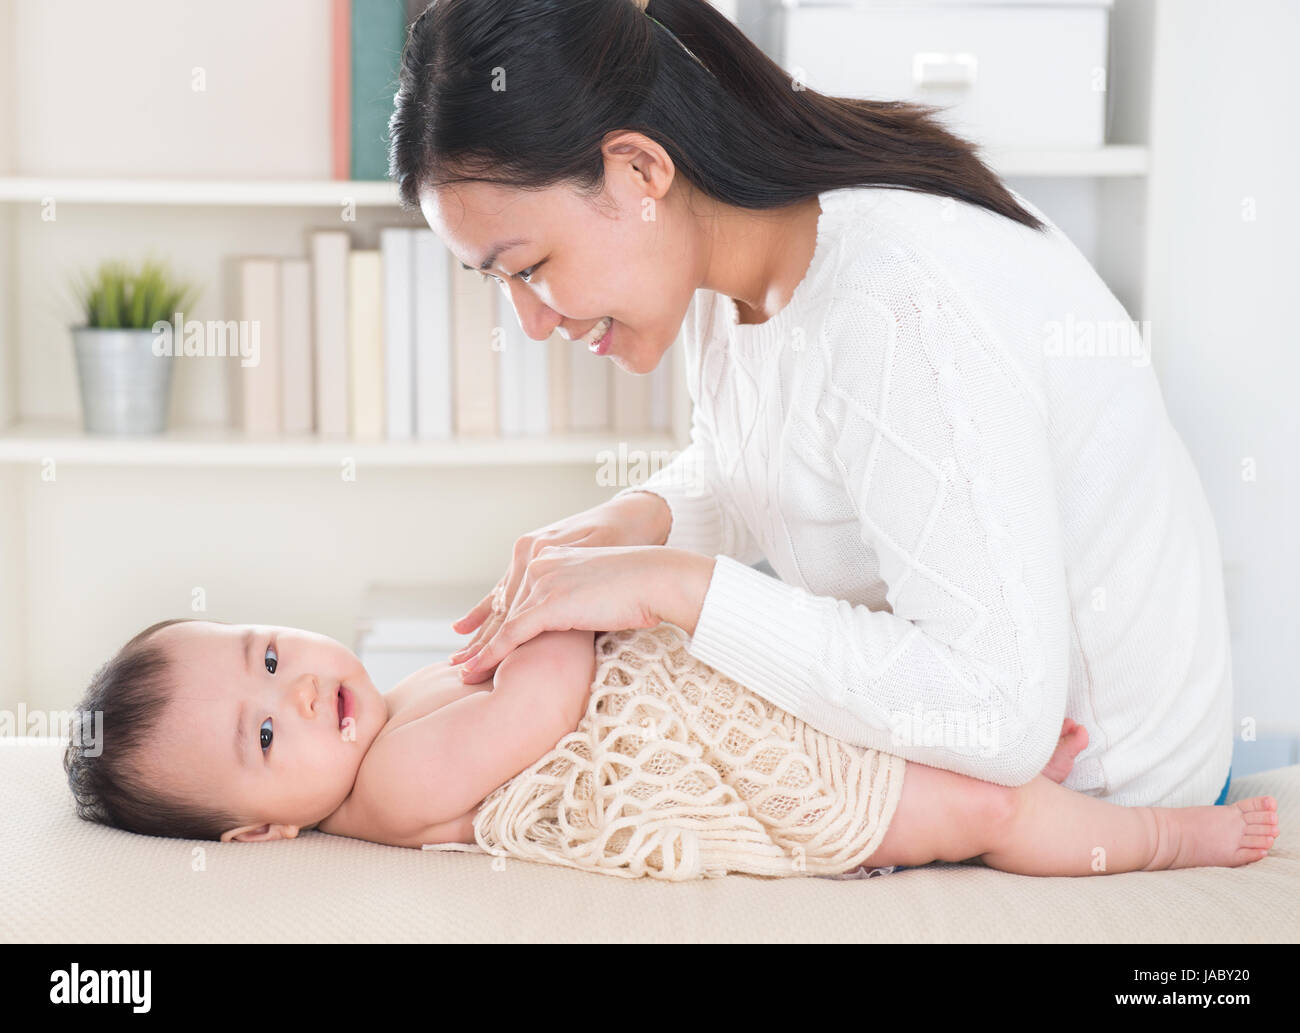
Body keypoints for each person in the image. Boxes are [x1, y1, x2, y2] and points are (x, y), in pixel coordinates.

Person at [389, 0, 1235, 811]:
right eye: (498, 283)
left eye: (529, 266)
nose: (531, 323)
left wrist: (673, 585)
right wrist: (645, 519)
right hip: (988, 766)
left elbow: (1000, 716)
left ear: (641, 169)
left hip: (1103, 793)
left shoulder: (896, 305)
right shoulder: (733, 265)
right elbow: (796, 463)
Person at [61, 617, 1277, 879]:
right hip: (739, 777)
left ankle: (1012, 758)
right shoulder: (382, 789)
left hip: (717, 711)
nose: (300, 686)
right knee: (976, 816)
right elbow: (540, 712)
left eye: (269, 652)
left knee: (876, 691)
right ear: (262, 828)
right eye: (263, 732)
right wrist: (561, 609)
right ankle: (1177, 835)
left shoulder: (381, 713)